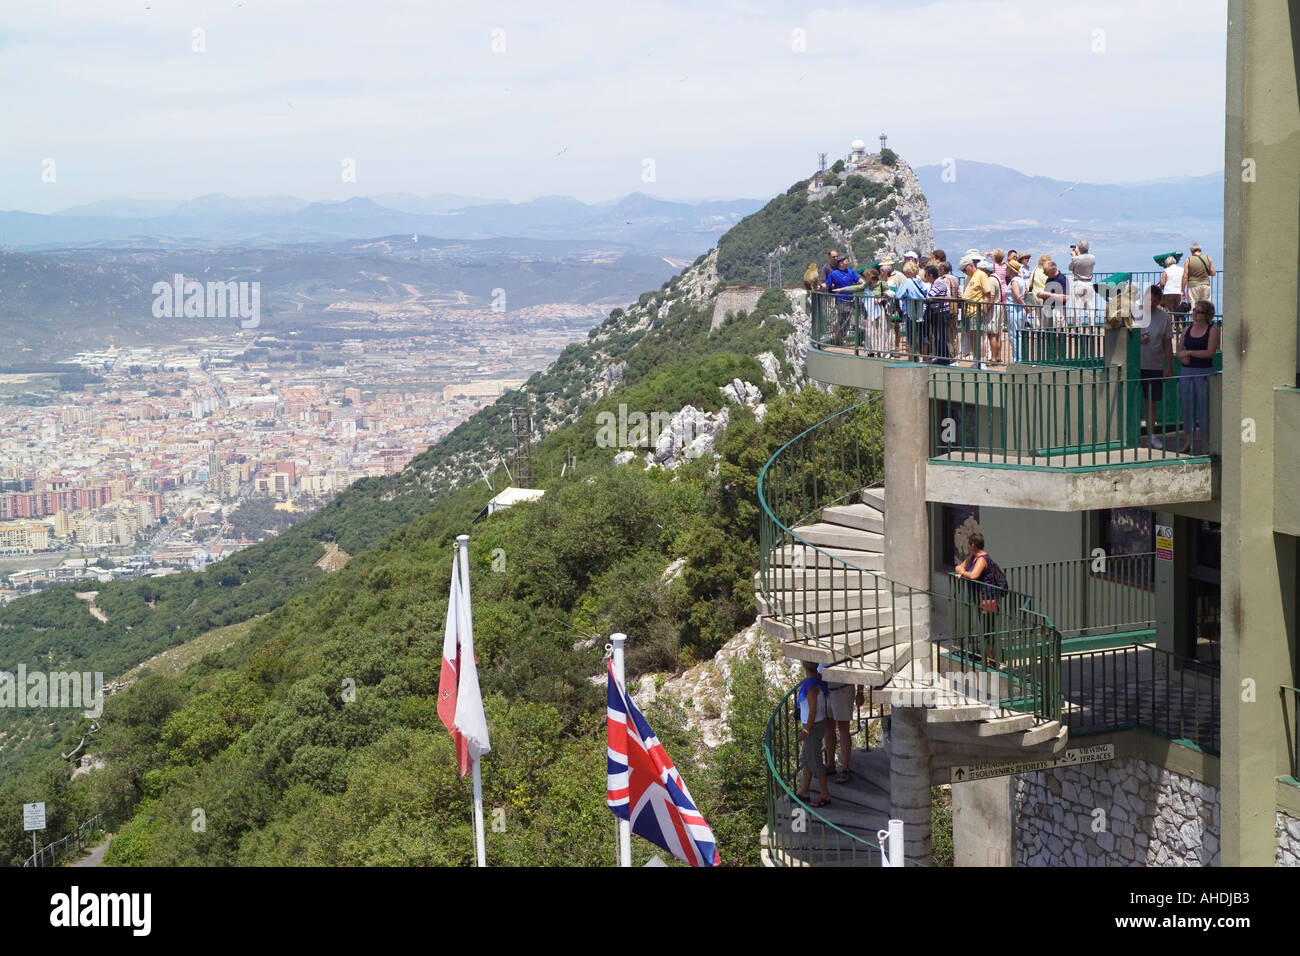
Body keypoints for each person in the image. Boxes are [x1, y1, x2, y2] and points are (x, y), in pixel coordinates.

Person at [1176, 300, 1220, 454]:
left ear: (1207, 314)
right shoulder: (1186, 330)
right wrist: (1183, 357)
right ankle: (1188, 441)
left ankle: (1207, 442)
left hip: (1204, 372)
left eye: (1200, 311)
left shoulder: (1212, 330)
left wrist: (1189, 353)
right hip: (1186, 372)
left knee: (1204, 407)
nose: (1195, 313)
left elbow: (1210, 352)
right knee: (1187, 406)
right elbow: (1179, 350)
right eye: (1195, 310)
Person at [1138, 284, 1174, 449]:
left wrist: (1169, 366)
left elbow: (1167, 343)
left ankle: (1152, 435)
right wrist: (1138, 340)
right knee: (1130, 400)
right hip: (1135, 365)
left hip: (1154, 365)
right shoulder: (1133, 313)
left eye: (1154, 300)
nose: (1150, 303)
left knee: (1151, 402)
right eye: (1148, 299)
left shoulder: (1164, 317)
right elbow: (1123, 337)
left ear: (1159, 301)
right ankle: (1128, 436)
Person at [818, 663, 862, 784]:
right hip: (825, 688)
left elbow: (859, 663)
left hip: (842, 688)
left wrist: (860, 691)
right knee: (828, 728)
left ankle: (845, 769)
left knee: (843, 728)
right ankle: (830, 764)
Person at [796, 660, 830, 806]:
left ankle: (825, 795)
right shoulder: (818, 679)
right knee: (806, 757)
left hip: (813, 726)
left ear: (804, 665)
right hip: (818, 723)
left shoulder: (811, 685)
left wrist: (806, 730)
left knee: (815, 760)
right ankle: (804, 791)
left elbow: (812, 709)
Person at [823, 255, 863, 348]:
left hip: (851, 299)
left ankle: (845, 337)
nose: (848, 262)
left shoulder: (850, 272)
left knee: (853, 319)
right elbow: (826, 283)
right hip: (841, 300)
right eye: (846, 261)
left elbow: (858, 279)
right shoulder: (834, 274)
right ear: (841, 263)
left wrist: (865, 283)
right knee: (843, 320)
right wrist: (820, 287)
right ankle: (841, 339)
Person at [960, 254, 991, 361]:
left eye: (965, 269)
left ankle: (981, 360)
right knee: (972, 336)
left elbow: (987, 295)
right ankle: (976, 358)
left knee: (979, 336)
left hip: (976, 310)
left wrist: (983, 310)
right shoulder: (968, 277)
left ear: (970, 265)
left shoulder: (981, 275)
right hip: (968, 311)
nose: (964, 272)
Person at [895, 260, 928, 358]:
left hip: (910, 312)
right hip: (921, 312)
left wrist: (906, 296)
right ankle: (924, 356)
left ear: (908, 272)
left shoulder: (907, 282)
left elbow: (898, 295)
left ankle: (913, 357)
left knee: (911, 336)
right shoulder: (920, 281)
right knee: (922, 335)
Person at [924, 263, 952, 364]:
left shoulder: (939, 283)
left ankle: (944, 359)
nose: (925, 278)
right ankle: (941, 357)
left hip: (941, 313)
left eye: (926, 275)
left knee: (941, 336)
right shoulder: (935, 283)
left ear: (930, 275)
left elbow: (930, 296)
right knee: (937, 336)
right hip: (937, 313)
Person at [980, 258, 1004, 363]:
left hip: (993, 309)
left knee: (992, 334)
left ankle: (993, 358)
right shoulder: (996, 277)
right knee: (997, 333)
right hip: (999, 307)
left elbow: (991, 298)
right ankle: (998, 356)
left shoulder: (990, 280)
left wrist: (985, 310)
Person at [1068, 239, 1096, 323]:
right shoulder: (1092, 257)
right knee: (1090, 308)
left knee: (1076, 308)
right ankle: (1092, 328)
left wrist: (1074, 256)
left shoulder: (1076, 259)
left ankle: (1077, 330)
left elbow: (1070, 268)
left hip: (1078, 283)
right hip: (1089, 283)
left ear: (1079, 248)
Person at [1182, 242, 1215, 309]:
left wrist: (1182, 290)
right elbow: (1213, 273)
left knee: (1193, 307)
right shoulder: (1208, 258)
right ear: (1200, 249)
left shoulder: (1188, 260)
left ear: (1191, 250)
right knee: (1206, 307)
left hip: (1193, 286)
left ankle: (1193, 319)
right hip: (1205, 285)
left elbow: (1185, 276)